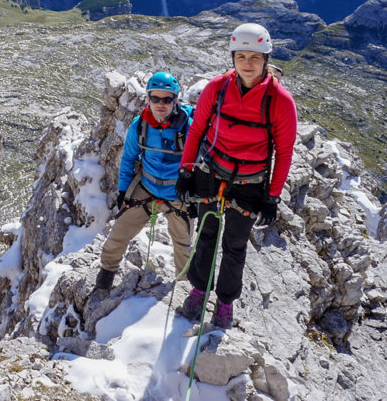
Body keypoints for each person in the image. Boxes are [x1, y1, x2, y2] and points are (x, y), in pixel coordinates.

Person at [174, 23, 297, 328]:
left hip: (250, 183)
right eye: (241, 56)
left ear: (266, 59)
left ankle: (225, 302)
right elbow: (197, 130)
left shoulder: (280, 102)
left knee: (235, 244)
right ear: (232, 58)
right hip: (212, 174)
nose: (247, 64)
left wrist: (272, 196)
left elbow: (284, 153)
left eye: (254, 57)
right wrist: (186, 170)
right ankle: (199, 291)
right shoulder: (217, 89)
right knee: (206, 234)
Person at [94, 71, 194, 292]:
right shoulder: (140, 126)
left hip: (178, 195)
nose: (161, 104)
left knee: (184, 247)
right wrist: (123, 192)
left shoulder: (189, 127)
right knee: (118, 234)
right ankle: (106, 275)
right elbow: (129, 159)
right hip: (146, 189)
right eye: (155, 98)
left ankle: (184, 290)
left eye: (167, 99)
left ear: (175, 100)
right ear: (148, 99)